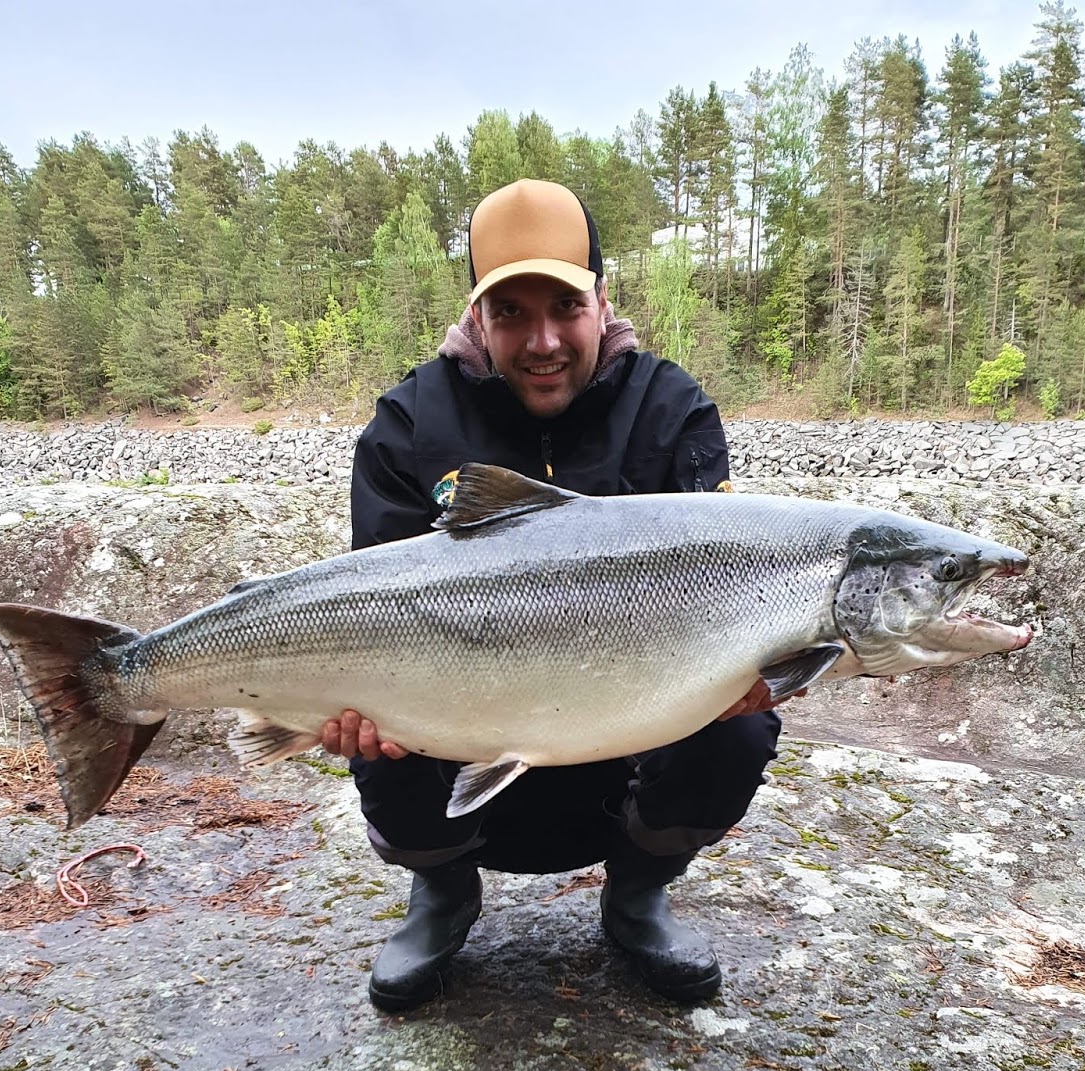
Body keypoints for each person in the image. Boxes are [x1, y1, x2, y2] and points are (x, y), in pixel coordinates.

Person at [321, 179, 781, 1012]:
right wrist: (343, 704)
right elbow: (371, 606)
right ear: (476, 315)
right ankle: (442, 893)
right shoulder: (410, 423)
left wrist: (755, 664)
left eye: (564, 306)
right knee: (374, 722)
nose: (541, 341)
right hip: (456, 746)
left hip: (621, 752)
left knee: (741, 724)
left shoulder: (669, 411)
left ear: (602, 300)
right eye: (510, 313)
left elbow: (723, 587)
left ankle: (638, 894)